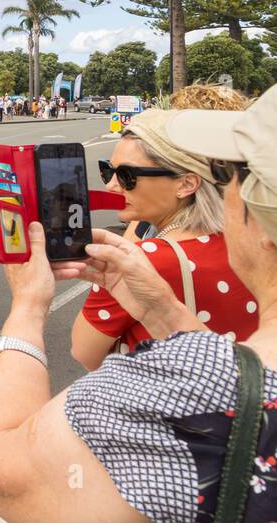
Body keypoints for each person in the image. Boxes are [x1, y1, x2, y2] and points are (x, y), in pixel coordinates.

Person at [0, 83, 277, 522]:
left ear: (265, 227)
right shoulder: (211, 358)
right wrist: (164, 313)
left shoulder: (182, 381)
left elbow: (4, 473)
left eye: (232, 176)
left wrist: (28, 306)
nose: (222, 188)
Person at [72, 109, 249, 369]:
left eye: (126, 177)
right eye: (107, 170)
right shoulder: (246, 242)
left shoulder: (138, 263)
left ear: (186, 184)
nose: (111, 185)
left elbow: (84, 352)